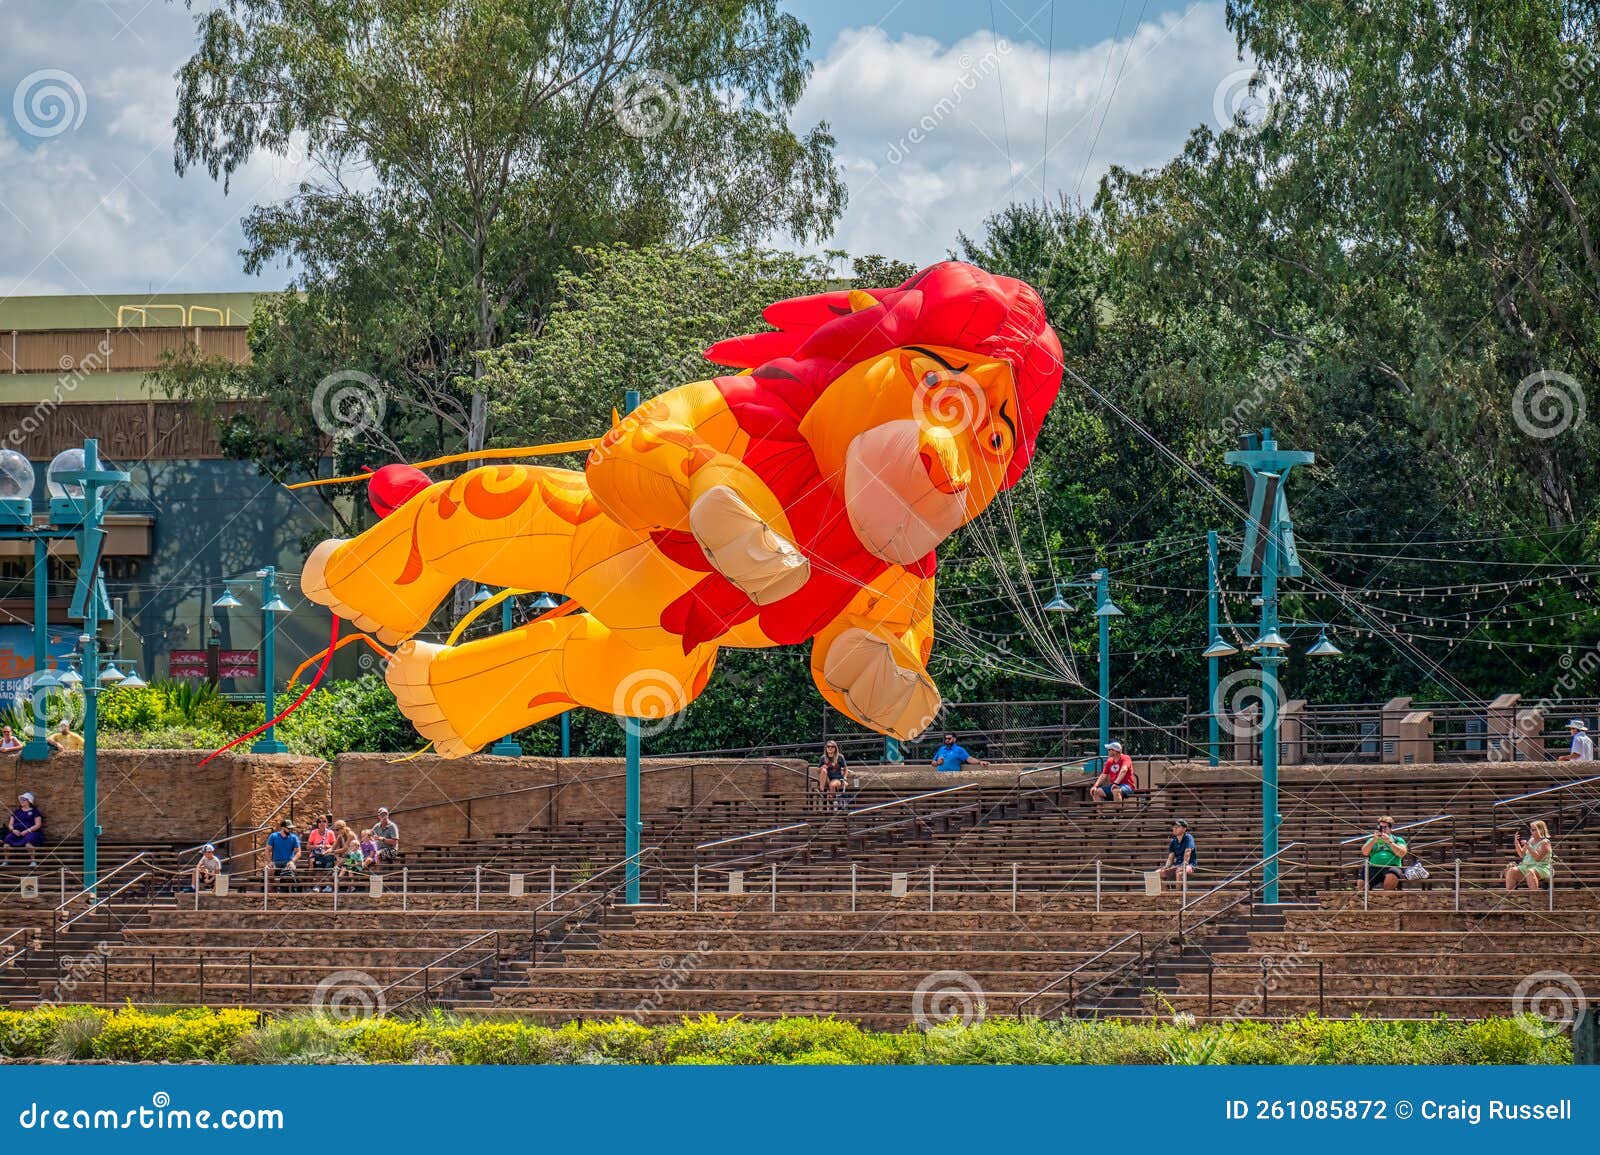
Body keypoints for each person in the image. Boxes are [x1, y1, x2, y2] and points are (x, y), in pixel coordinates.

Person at [1505, 819, 1554, 891]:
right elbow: (1521, 854)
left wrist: (1528, 846)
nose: (1531, 831)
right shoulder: (1531, 840)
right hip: (1527, 866)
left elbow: (1538, 858)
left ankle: (1534, 896)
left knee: (1530, 872)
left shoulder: (1545, 843)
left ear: (1540, 830)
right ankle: (1509, 897)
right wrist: (1516, 843)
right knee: (1512, 871)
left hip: (1542, 867)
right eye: (1531, 829)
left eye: (1534, 830)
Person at [1361, 816, 1408, 891]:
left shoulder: (1397, 839)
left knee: (1390, 878)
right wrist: (1374, 839)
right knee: (1361, 883)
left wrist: (1390, 842)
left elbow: (1402, 853)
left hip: (1391, 866)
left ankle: (1385, 899)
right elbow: (1365, 852)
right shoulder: (1372, 839)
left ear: (1390, 828)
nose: (1382, 829)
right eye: (1380, 827)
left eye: (1385, 827)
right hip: (1374, 867)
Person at [4, 792, 44, 866]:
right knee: (7, 840)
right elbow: (10, 824)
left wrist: (27, 831)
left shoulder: (35, 811)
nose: (21, 801)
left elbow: (38, 824)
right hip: (17, 833)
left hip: (31, 832)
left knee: (29, 842)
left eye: (23, 799)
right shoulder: (17, 812)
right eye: (21, 799)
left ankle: (33, 861)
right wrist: (13, 830)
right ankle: (6, 861)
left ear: (29, 801)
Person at [305, 815, 338, 891]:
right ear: (317, 824)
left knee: (329, 863)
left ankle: (328, 885)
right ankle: (317, 885)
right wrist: (317, 846)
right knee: (315, 864)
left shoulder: (330, 833)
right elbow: (308, 846)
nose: (322, 823)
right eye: (319, 821)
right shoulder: (313, 832)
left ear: (327, 823)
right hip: (316, 853)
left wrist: (328, 846)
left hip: (327, 853)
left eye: (324, 821)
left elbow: (335, 845)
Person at [266, 818, 300, 883]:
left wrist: (292, 861)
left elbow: (298, 852)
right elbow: (267, 850)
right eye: (289, 828)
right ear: (283, 828)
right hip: (276, 862)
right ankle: (272, 890)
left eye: (291, 828)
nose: (290, 830)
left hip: (288, 862)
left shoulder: (294, 837)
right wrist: (269, 862)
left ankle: (286, 891)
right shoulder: (273, 836)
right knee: (269, 870)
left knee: (288, 872)